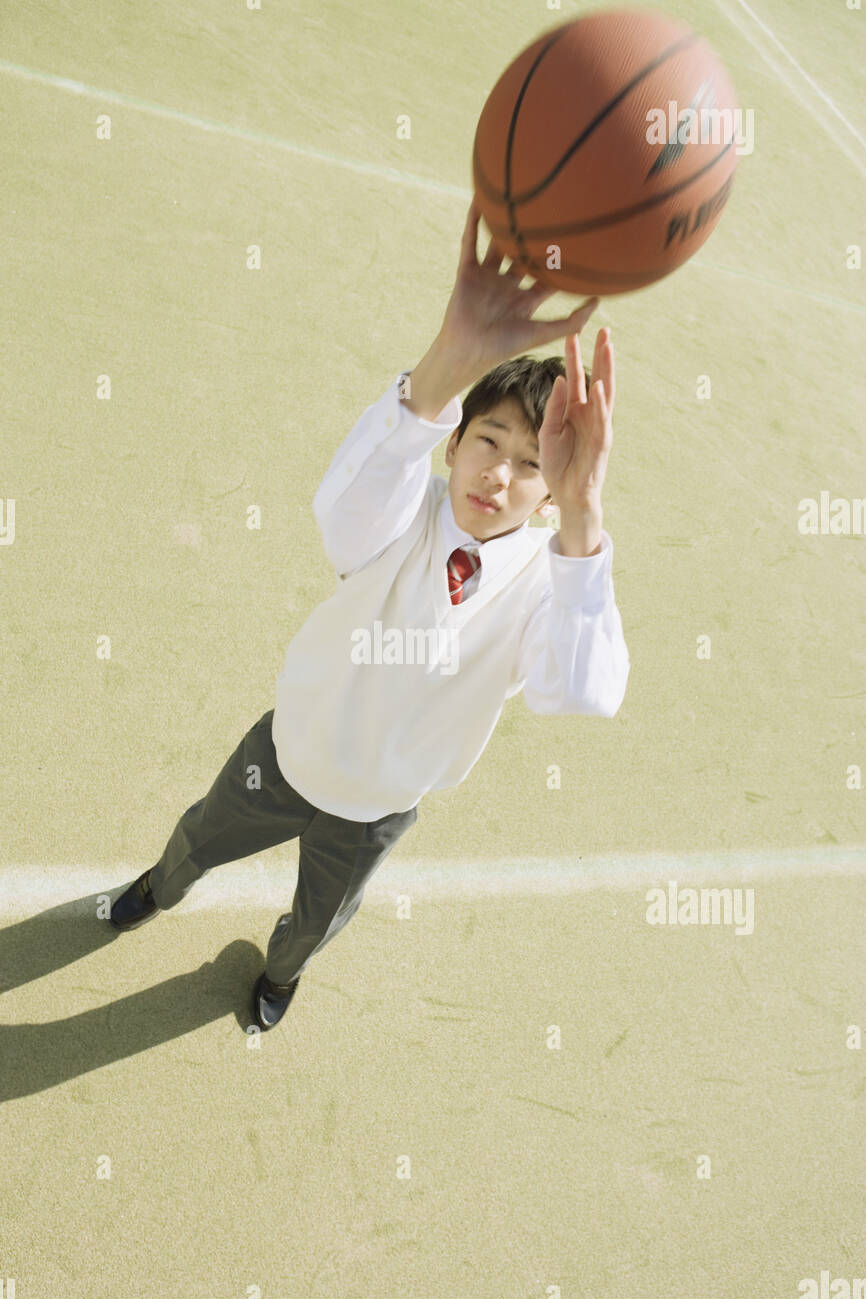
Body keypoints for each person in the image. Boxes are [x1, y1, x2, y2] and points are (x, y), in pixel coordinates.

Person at [109, 198, 630, 1032]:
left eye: (533, 464)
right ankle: (157, 889)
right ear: (453, 444)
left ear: (549, 492)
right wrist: (448, 360)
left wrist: (584, 514)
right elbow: (344, 507)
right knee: (200, 839)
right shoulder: (400, 511)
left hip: (378, 804)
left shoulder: (552, 574)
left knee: (317, 922)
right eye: (489, 440)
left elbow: (581, 690)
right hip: (286, 754)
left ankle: (280, 974)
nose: (499, 472)